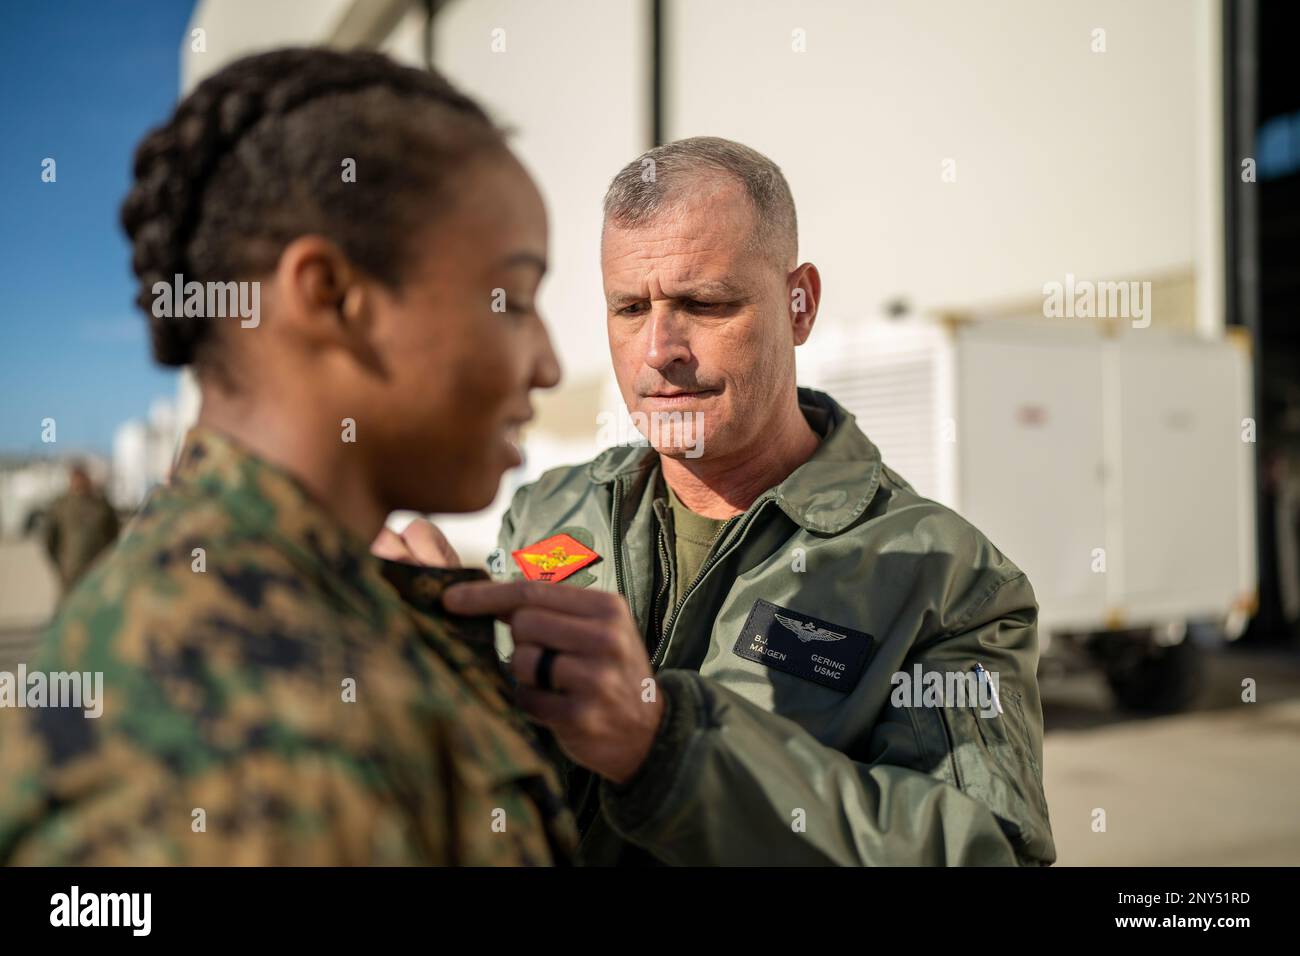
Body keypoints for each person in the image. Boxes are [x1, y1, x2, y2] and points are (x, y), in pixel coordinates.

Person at [408, 137, 1055, 865]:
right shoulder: (548, 513)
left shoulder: (945, 579)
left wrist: (666, 748)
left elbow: (986, 852)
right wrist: (440, 661)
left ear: (799, 304)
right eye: (628, 308)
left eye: (703, 304)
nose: (659, 350)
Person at [0, 48, 574, 865]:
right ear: (331, 296)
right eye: (510, 299)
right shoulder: (246, 735)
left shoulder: (324, 606)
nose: (548, 362)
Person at [42, 462, 120, 597]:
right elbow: (49, 540)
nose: (80, 482)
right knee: (69, 610)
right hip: (70, 573)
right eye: (76, 478)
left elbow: (114, 536)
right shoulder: (61, 506)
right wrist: (61, 565)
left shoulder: (101, 505)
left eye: (83, 478)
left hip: (97, 570)